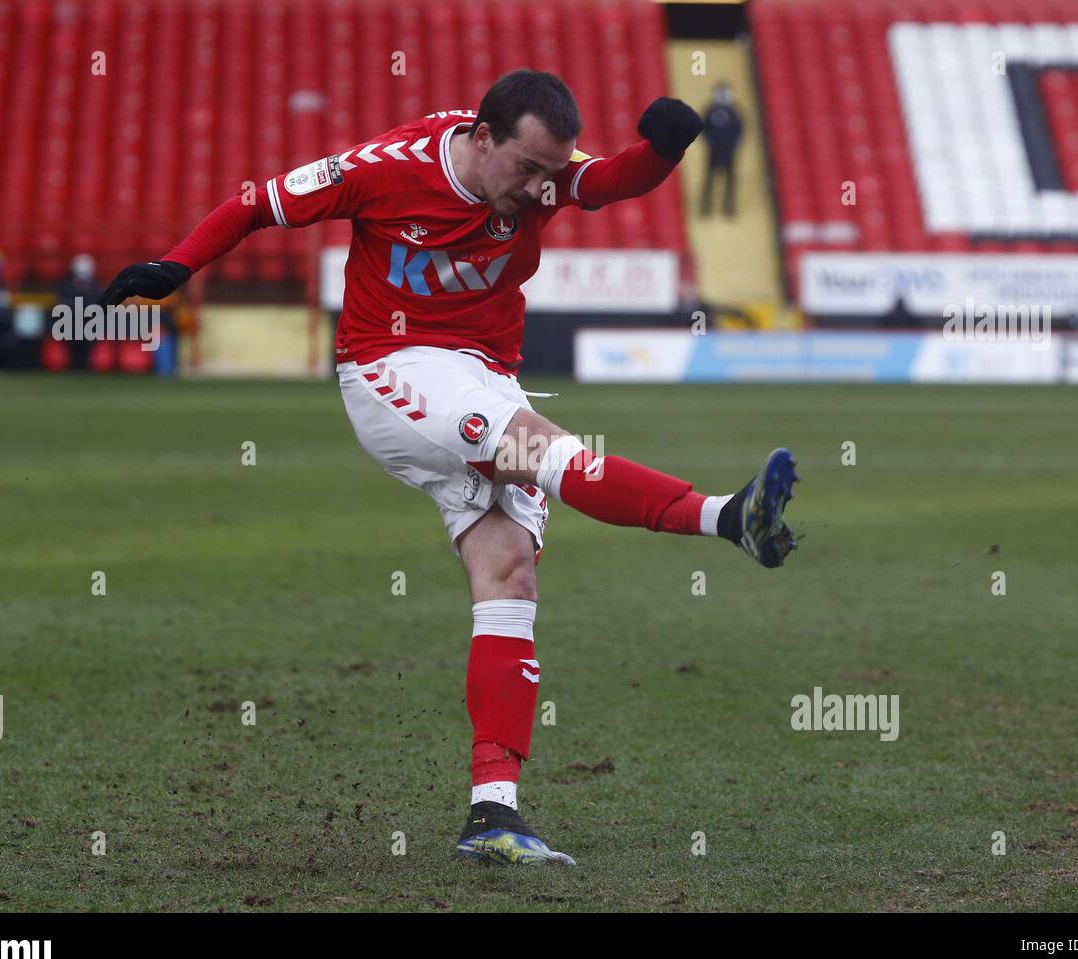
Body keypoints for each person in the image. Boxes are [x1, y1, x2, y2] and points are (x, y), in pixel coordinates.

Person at [100, 69, 799, 866]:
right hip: (389, 365)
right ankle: (724, 516)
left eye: (549, 172)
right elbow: (257, 204)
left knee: (508, 576)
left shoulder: (540, 171)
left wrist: (665, 151)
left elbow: (605, 182)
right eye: (528, 168)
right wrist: (175, 267)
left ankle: (492, 814)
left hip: (482, 371)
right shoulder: (386, 169)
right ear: (480, 137)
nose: (540, 187)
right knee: (542, 448)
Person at [700, 83, 744, 218]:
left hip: (729, 152)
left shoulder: (734, 112)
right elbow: (703, 129)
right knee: (709, 178)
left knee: (730, 179)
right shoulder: (710, 111)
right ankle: (706, 206)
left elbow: (740, 131)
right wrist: (710, 143)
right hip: (713, 151)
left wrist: (733, 145)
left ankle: (729, 206)